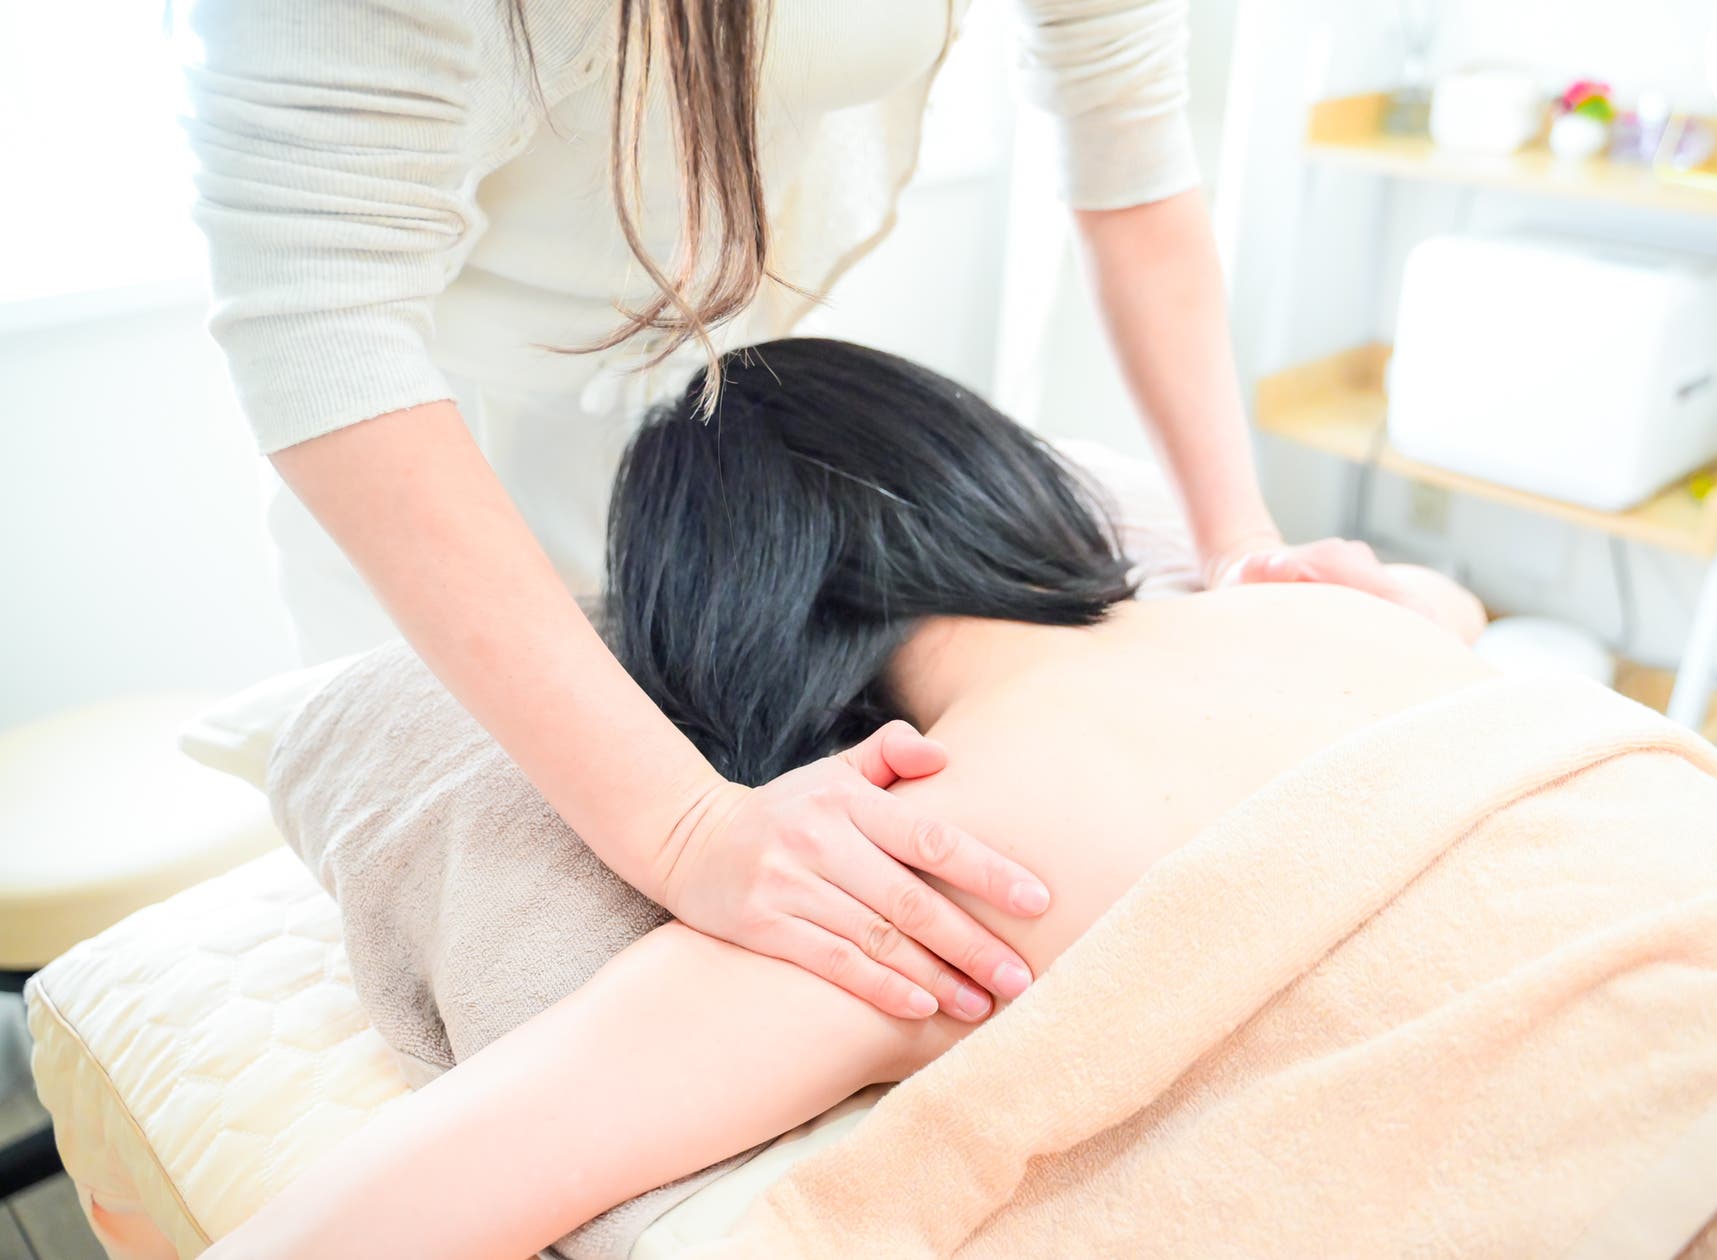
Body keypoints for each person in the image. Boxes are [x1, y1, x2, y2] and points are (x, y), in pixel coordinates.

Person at [185, 0, 1424, 1021]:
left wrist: (1240, 540)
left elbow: (1133, 153)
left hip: (733, 419)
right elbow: (322, 317)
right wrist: (678, 830)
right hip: (442, 448)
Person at [206, 339, 1492, 1259]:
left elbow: (382, 1210)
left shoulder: (924, 854)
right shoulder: (1350, 614)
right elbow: (1449, 619)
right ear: (1015, 490)